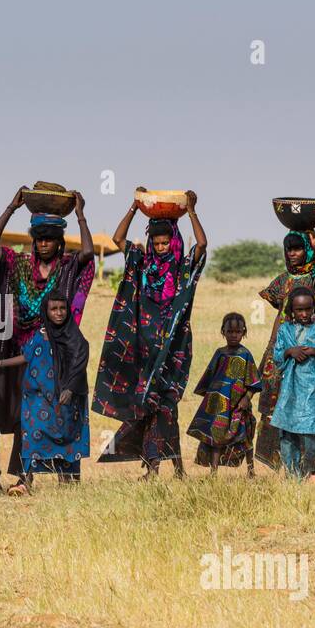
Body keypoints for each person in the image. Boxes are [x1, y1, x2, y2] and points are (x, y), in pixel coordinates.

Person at [0, 184, 94, 490]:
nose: (44, 244)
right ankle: (24, 477)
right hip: (23, 352)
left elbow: (87, 252)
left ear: (59, 242)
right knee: (26, 415)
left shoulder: (68, 267)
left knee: (62, 411)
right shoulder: (18, 264)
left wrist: (81, 214)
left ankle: (67, 477)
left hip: (58, 352)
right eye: (40, 238)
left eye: (50, 239)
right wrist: (11, 207)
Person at [94, 194, 208, 477]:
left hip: (172, 347)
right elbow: (118, 239)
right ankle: (155, 466)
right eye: (156, 243)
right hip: (142, 348)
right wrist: (134, 206)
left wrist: (191, 211)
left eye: (164, 242)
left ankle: (174, 465)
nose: (159, 247)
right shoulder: (141, 262)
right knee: (147, 405)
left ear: (173, 241)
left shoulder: (182, 268)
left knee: (167, 406)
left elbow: (202, 244)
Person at [0, 293, 90, 492]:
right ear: (46, 311)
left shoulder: (72, 335)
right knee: (32, 436)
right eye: (54, 309)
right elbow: (26, 357)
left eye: (62, 308)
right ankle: (25, 482)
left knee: (65, 437)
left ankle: (68, 480)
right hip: (37, 398)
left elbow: (80, 362)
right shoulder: (39, 333)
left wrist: (69, 388)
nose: (59, 313)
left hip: (63, 398)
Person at [255, 224, 315, 469]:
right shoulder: (281, 281)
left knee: (307, 407)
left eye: (298, 249)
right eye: (289, 249)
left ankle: (307, 465)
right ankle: (281, 462)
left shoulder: (313, 277)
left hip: (309, 354)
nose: (292, 253)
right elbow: (281, 313)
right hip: (281, 347)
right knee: (275, 404)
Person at [268, 287, 315, 479]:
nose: (304, 313)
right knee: (287, 432)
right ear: (291, 311)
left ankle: (311, 472)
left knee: (309, 431)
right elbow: (277, 357)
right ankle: (292, 475)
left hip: (311, 389)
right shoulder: (285, 330)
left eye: (308, 309)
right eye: (299, 310)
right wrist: (290, 351)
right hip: (289, 389)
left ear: (313, 308)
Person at [186, 312, 260, 475]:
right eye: (230, 331)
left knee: (246, 438)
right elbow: (210, 376)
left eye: (238, 332)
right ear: (223, 332)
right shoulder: (220, 353)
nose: (234, 335)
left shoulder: (245, 354)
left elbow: (254, 382)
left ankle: (251, 471)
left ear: (244, 332)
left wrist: (246, 398)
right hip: (219, 405)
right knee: (216, 438)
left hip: (239, 405)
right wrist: (210, 400)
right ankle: (213, 472)